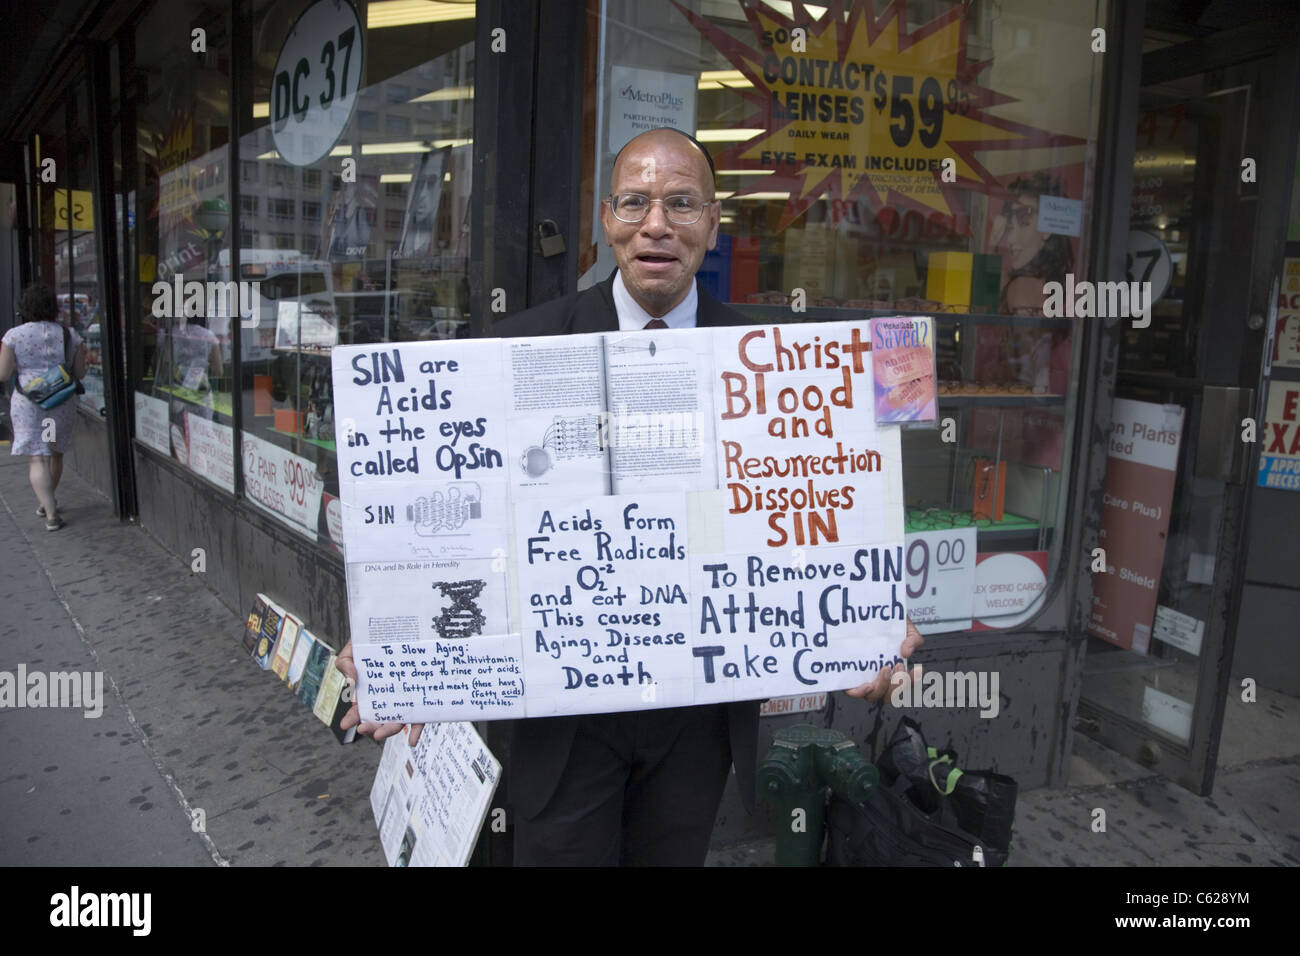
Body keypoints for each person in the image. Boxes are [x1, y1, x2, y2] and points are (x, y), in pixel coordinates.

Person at [338, 127, 923, 865]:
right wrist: (397, 628)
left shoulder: (779, 368)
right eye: (635, 202)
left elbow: (819, 518)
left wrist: (866, 621)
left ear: (712, 223)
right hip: (562, 718)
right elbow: (440, 501)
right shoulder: (515, 347)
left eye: (681, 204)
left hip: (697, 720)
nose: (657, 224)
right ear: (608, 221)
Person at [0, 282, 88, 531]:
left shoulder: (14, 336)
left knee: (37, 458)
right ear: (53, 308)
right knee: (54, 452)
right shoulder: (69, 334)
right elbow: (79, 373)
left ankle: (50, 512)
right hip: (60, 403)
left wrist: (21, 366)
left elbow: (3, 374)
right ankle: (46, 501)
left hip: (29, 404)